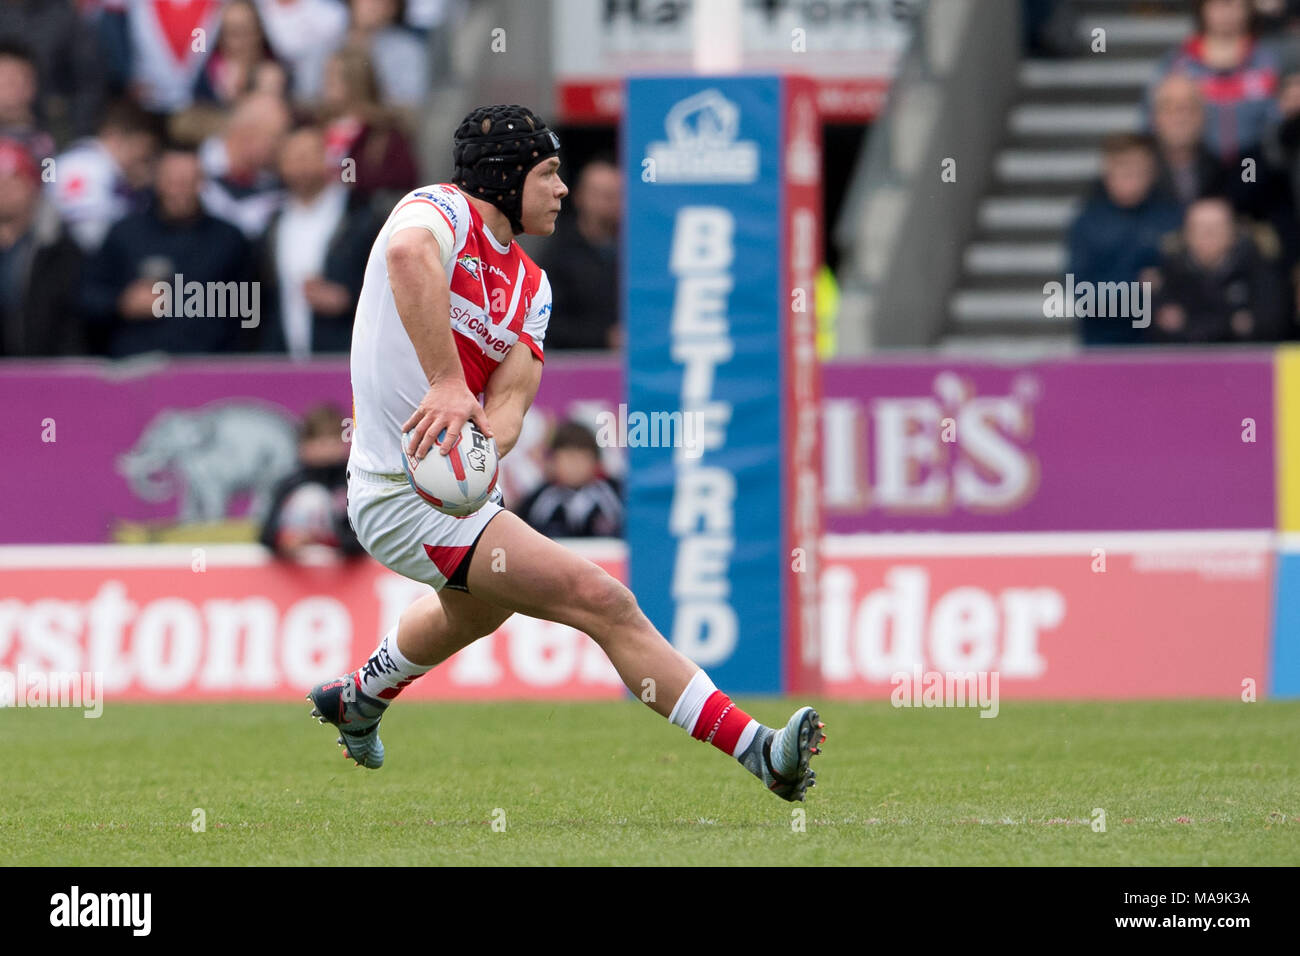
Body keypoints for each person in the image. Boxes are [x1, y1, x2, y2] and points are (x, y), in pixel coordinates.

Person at [307, 104, 824, 803]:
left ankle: (360, 698)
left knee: (474, 611)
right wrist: (448, 382)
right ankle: (760, 750)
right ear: (505, 177)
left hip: (454, 493)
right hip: (396, 492)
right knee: (602, 599)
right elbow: (406, 258)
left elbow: (510, 405)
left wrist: (481, 446)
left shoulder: (534, 286)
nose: (562, 189)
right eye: (548, 173)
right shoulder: (438, 211)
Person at [81, 143, 255, 357]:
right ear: (157, 181)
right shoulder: (124, 234)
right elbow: (88, 297)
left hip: (207, 364)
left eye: (188, 181)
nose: (180, 190)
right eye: (172, 181)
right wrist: (123, 303)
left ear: (202, 183)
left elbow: (251, 310)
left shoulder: (229, 239)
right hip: (136, 363)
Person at [258, 124, 379, 355]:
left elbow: (385, 280)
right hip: (285, 358)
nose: (301, 166)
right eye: (293, 158)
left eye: (308, 156)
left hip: (345, 354)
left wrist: (349, 299)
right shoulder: (273, 223)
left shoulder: (360, 215)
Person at [1065, 133, 1183, 344]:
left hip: (1162, 343)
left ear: (1153, 173)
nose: (1132, 179)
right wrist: (1135, 288)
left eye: (1140, 171)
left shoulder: (1171, 218)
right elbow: (1080, 293)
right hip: (1104, 342)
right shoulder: (1087, 224)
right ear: (1108, 174)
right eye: (1125, 171)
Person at [1150, 195, 1290, 341]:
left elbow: (1271, 322)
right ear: (1186, 233)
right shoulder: (1170, 270)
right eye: (1200, 228)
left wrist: (1189, 324)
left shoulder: (1258, 268)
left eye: (1216, 228)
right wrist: (1230, 324)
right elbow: (1157, 325)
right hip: (1183, 354)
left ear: (1233, 231)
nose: (1208, 235)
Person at [0, 137, 83, 356]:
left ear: (33, 187)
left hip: (46, 367)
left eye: (12, 180)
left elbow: (72, 317)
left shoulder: (58, 246)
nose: (3, 189)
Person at [46, 98, 159, 254]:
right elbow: (89, 234)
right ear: (116, 137)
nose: (143, 161)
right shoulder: (84, 166)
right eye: (142, 153)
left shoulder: (102, 166)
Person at [535, 155, 621, 350]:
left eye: (617, 194)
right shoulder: (557, 254)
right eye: (601, 194)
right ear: (579, 196)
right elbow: (546, 323)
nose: (610, 203)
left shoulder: (637, 252)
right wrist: (604, 337)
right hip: (575, 362)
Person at [260, 402, 364, 560]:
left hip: (347, 572)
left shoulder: (353, 484)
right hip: (295, 572)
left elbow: (364, 538)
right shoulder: (289, 485)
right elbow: (266, 535)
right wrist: (284, 540)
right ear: (303, 445)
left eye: (332, 439)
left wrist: (327, 539)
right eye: (318, 440)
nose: (326, 448)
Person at [514, 420, 623, 538]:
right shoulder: (538, 500)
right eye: (568, 458)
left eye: (581, 458)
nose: (575, 466)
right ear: (553, 462)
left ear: (596, 461)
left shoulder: (615, 494)